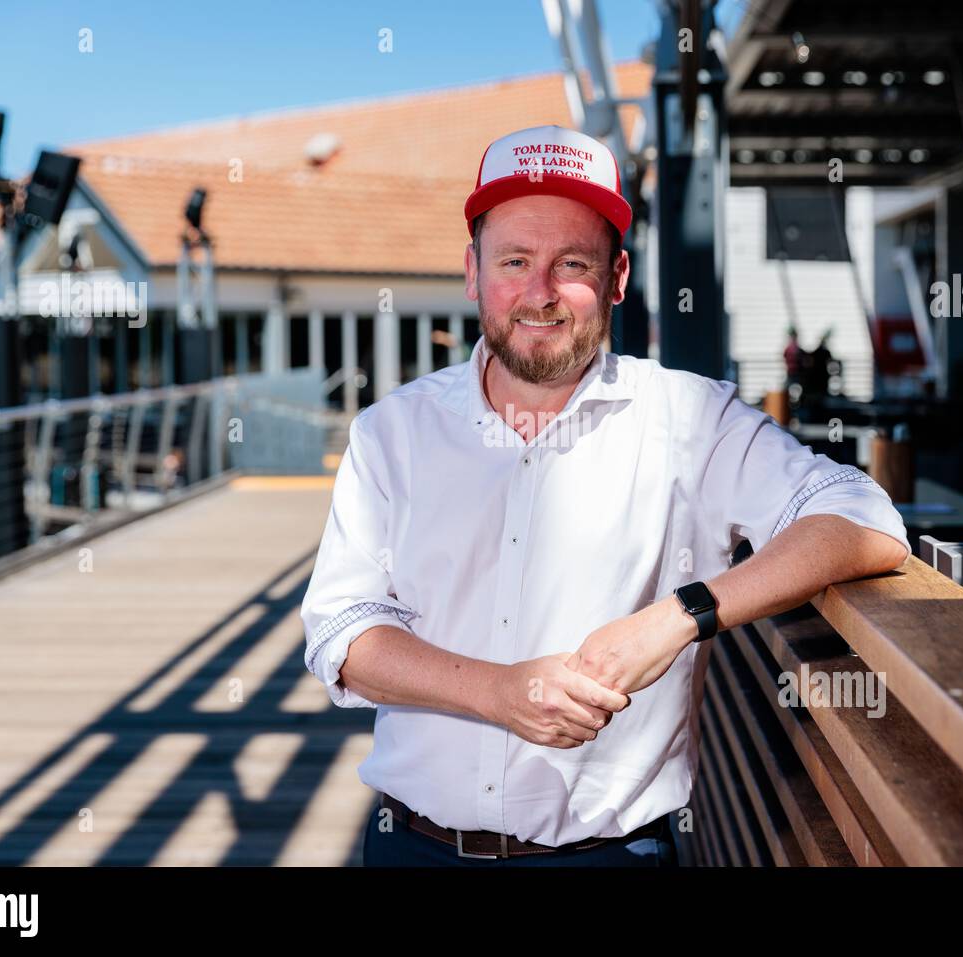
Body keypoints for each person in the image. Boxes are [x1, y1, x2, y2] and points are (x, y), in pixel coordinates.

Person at [299, 125, 910, 867]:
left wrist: (682, 614)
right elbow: (342, 630)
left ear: (618, 278)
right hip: (414, 847)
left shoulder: (691, 419)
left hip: (611, 854)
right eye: (515, 260)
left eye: (573, 264)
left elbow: (861, 516)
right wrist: (500, 691)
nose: (540, 292)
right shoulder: (391, 432)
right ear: (472, 271)